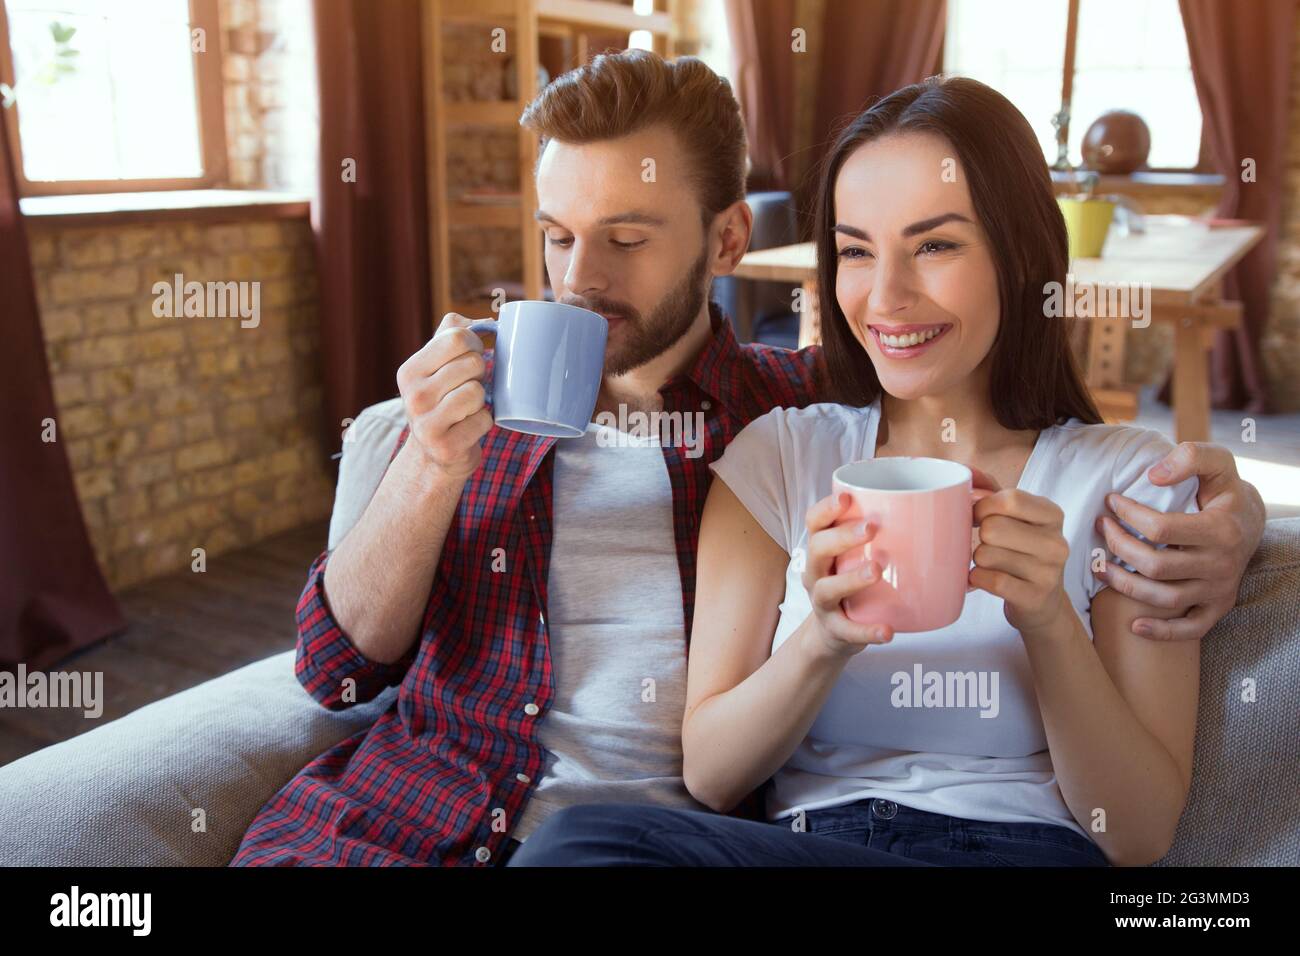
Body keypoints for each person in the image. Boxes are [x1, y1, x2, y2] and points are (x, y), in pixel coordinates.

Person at [231, 53, 1264, 868]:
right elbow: (331, 672)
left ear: (728, 239)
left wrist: (1240, 510)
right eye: (555, 236)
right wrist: (426, 469)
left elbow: (937, 386)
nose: (575, 279)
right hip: (404, 821)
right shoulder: (470, 414)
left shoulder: (777, 410)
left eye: (625, 238)